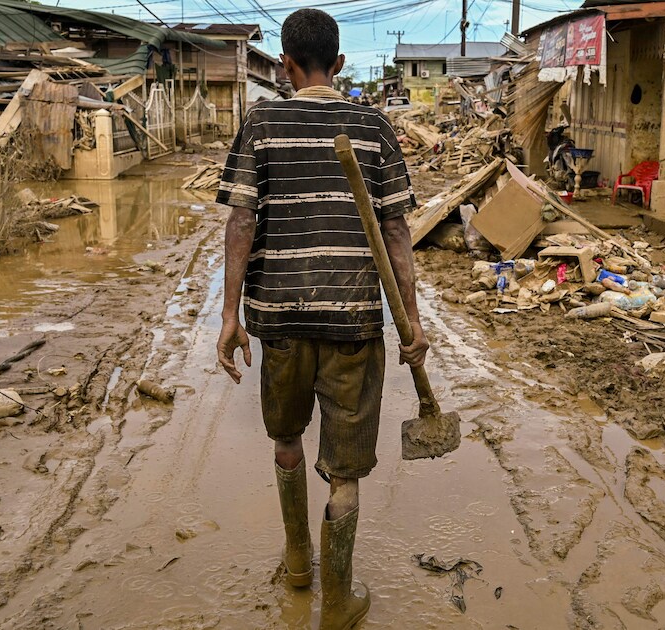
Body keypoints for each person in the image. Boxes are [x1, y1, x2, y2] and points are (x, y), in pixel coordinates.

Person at [215, 8, 427, 630]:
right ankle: (336, 603)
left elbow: (241, 221)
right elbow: (396, 231)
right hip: (352, 322)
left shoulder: (261, 123)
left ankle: (297, 564)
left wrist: (229, 315)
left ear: (285, 65)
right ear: (339, 63)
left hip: (278, 318)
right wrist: (412, 321)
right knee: (345, 466)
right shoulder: (374, 126)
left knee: (286, 441)